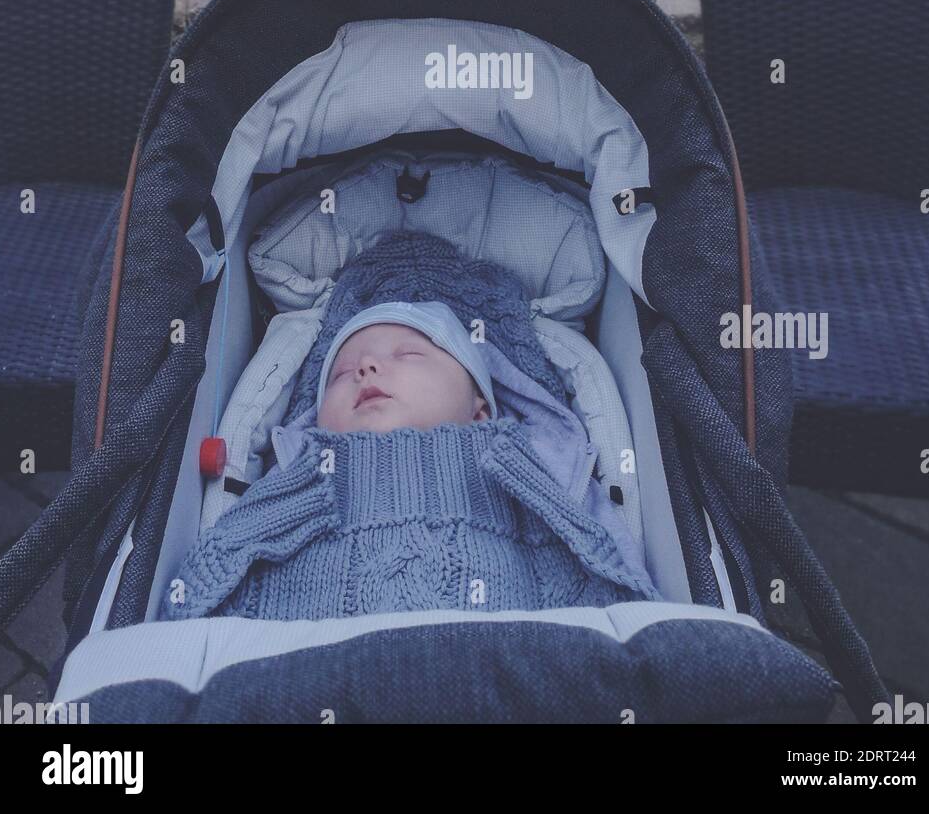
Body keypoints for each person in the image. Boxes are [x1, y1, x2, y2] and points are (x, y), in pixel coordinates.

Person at [159, 233, 659, 622]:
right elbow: (216, 569)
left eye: (408, 354)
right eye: (341, 372)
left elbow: (604, 559)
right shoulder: (300, 478)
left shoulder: (526, 465)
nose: (367, 370)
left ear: (480, 408)